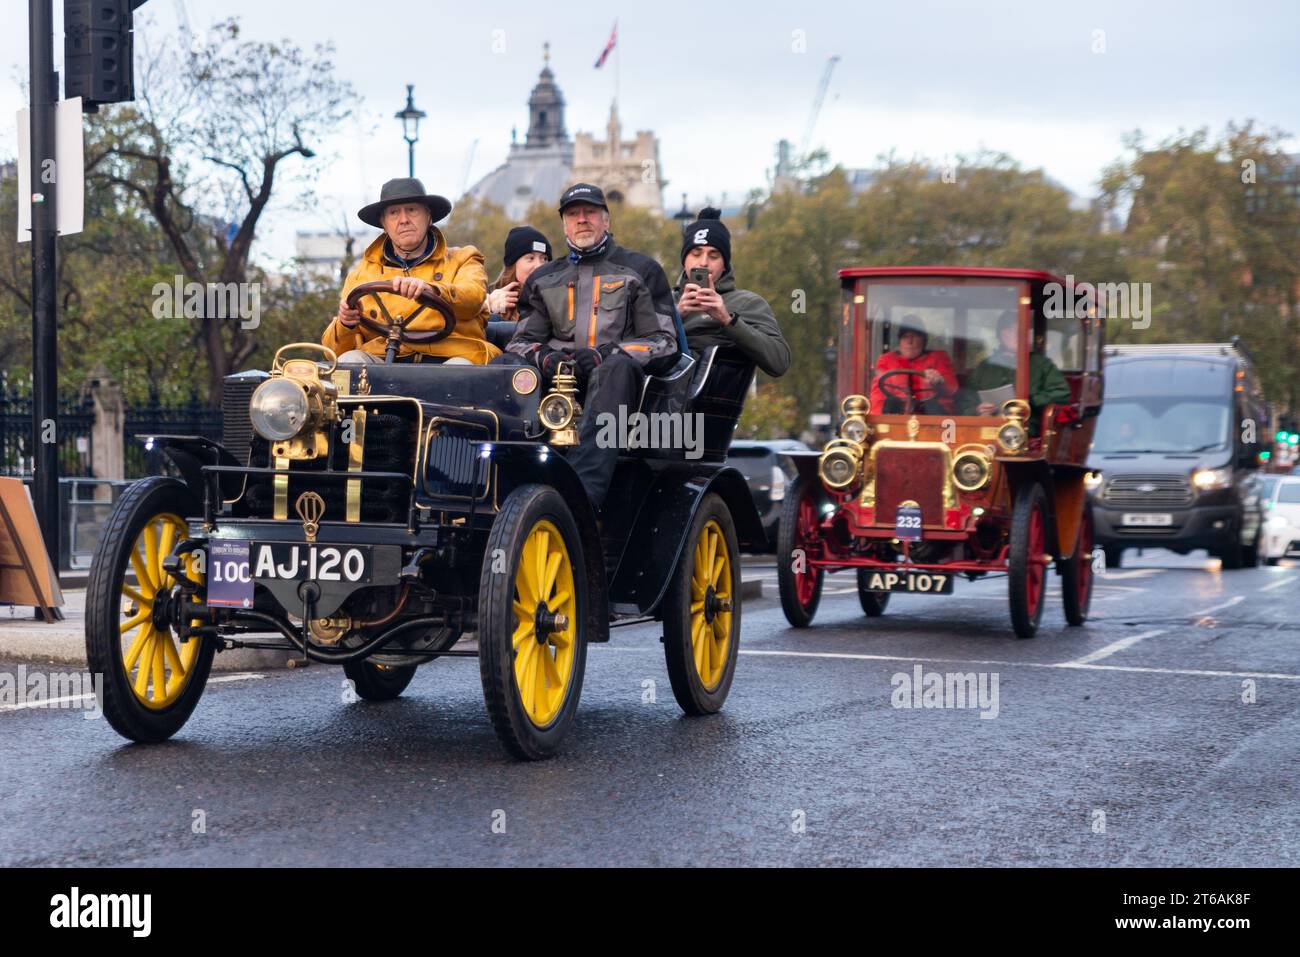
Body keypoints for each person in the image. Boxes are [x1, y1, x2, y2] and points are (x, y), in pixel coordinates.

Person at [502, 183, 680, 513]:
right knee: (506, 366)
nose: (582, 219)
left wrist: (607, 353)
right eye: (573, 214)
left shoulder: (641, 270)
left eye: (590, 212)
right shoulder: (544, 278)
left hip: (622, 392)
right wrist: (549, 358)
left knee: (615, 368)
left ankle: (581, 502)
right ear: (564, 225)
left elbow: (664, 342)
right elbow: (521, 342)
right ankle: (501, 483)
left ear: (606, 220)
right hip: (556, 388)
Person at [324, 178, 499, 365]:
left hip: (449, 356)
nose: (404, 220)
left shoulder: (464, 259)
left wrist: (431, 290)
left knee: (458, 369)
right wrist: (346, 323)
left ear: (428, 216)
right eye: (393, 213)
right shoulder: (361, 275)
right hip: (384, 359)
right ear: (384, 223)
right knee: (348, 361)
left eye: (412, 210)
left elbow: (472, 298)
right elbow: (332, 352)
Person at [675, 207, 790, 378]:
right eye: (696, 254)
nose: (703, 263)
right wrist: (675, 317)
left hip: (712, 394)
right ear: (684, 260)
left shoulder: (748, 303)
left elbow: (779, 363)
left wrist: (727, 320)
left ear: (725, 264)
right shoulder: (664, 301)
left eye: (714, 256)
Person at [963, 311, 1071, 429]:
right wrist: (977, 408)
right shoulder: (984, 366)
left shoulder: (1041, 364)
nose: (1010, 335)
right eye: (1007, 330)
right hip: (987, 426)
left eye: (1016, 331)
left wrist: (1028, 401)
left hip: (1026, 427)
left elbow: (1062, 393)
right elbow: (966, 398)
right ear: (1001, 335)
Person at [869, 315, 957, 414]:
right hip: (898, 417)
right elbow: (877, 397)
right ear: (900, 341)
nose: (909, 341)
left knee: (932, 406)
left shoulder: (938, 358)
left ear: (924, 340)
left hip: (932, 418)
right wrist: (878, 423)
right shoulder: (887, 360)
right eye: (905, 336)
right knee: (891, 402)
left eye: (915, 336)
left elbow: (953, 388)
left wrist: (939, 381)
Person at [487, 226, 552, 322]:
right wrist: (488, 308)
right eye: (530, 258)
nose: (539, 266)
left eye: (544, 259)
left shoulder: (558, 298)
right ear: (513, 264)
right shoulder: (483, 295)